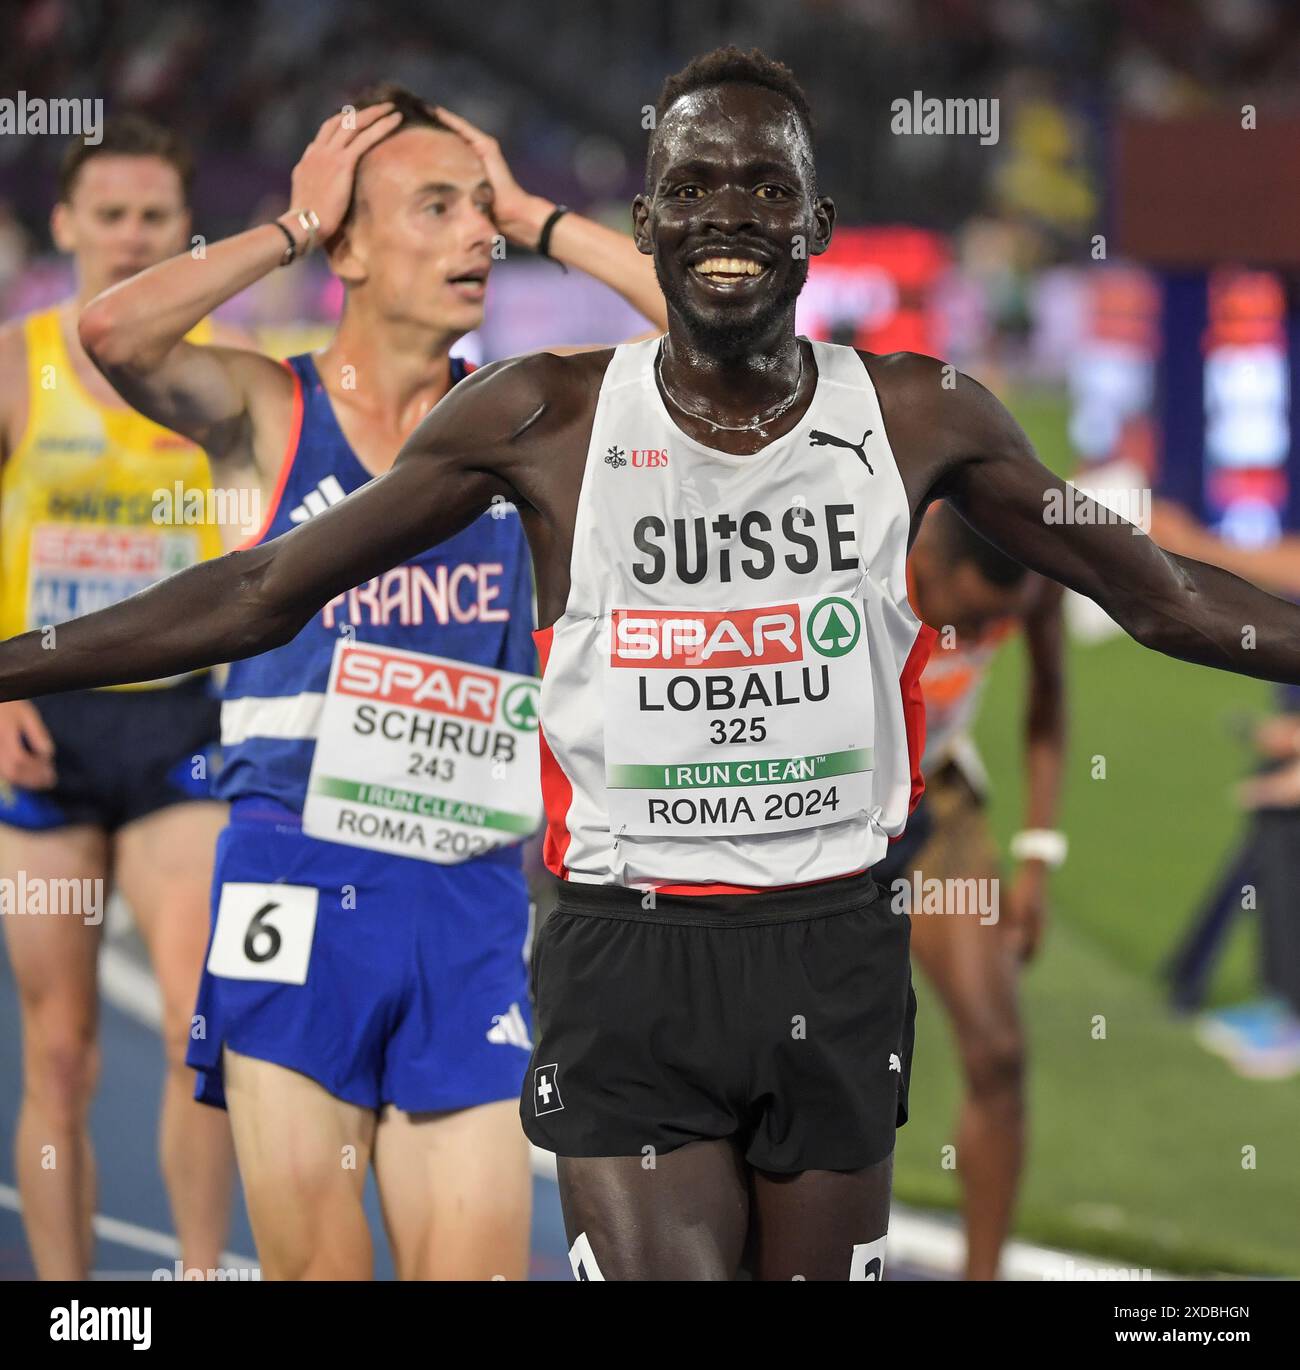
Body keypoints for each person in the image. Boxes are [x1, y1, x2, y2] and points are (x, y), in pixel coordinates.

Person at [4, 46, 1300, 1280]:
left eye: (763, 187)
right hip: (623, 954)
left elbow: (1164, 596)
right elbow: (258, 588)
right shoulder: (542, 416)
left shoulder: (919, 414)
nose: (726, 212)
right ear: (646, 217)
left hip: (833, 945)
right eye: (691, 187)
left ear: (819, 223)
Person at [76, 86, 667, 1279]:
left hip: (470, 898)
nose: (476, 235)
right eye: (437, 207)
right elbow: (114, 336)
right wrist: (286, 227)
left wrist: (540, 213)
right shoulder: (265, 409)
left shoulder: (527, 421)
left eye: (481, 209)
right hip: (296, 877)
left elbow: (716, 339)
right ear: (348, 241)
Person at [0, 114, 255, 1279]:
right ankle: (68, 1303)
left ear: (185, 228)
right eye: (109, 213)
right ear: (65, 222)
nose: (132, 234)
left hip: (177, 731)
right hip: (42, 729)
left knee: (204, 1027)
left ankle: (194, 1277)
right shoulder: (16, 363)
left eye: (155, 214)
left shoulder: (221, 379)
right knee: (58, 1055)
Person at [873, 502, 1065, 1278]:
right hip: (823, 811)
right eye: (975, 618)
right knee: (797, 1062)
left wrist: (1037, 857)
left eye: (1002, 623)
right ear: (926, 565)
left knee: (998, 1052)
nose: (987, 636)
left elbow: (1049, 698)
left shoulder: (1032, 583)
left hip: (938, 805)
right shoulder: (867, 563)